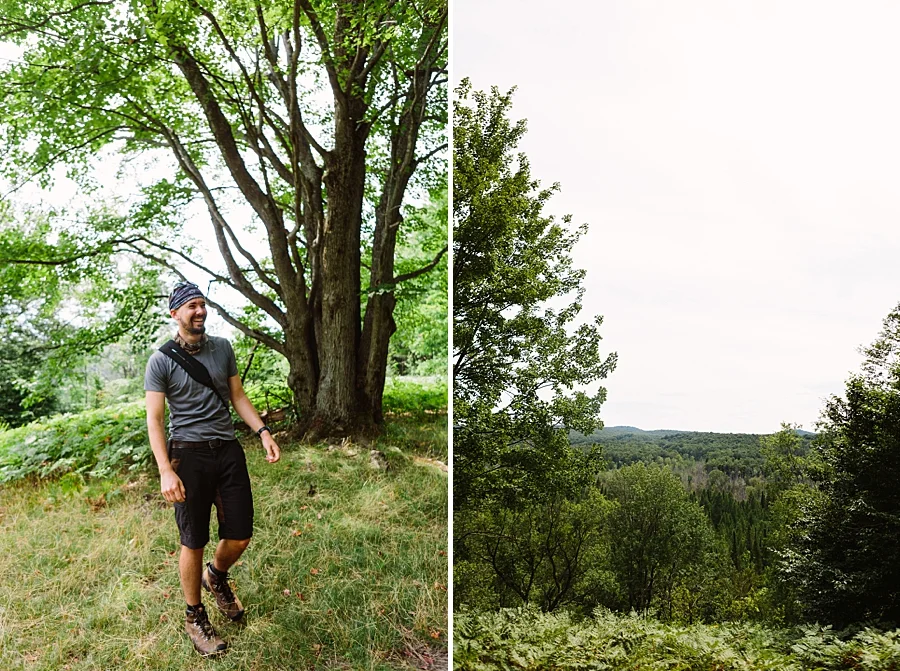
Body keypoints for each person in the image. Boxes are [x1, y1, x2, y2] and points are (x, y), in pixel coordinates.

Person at [144, 281, 281, 657]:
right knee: (194, 539)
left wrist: (262, 431)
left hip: (228, 451)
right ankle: (194, 617)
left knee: (240, 534)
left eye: (202, 304)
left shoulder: (222, 348)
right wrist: (165, 471)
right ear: (175, 314)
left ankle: (216, 576)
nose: (199, 311)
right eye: (190, 306)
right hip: (188, 456)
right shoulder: (162, 360)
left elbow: (237, 395)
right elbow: (155, 421)